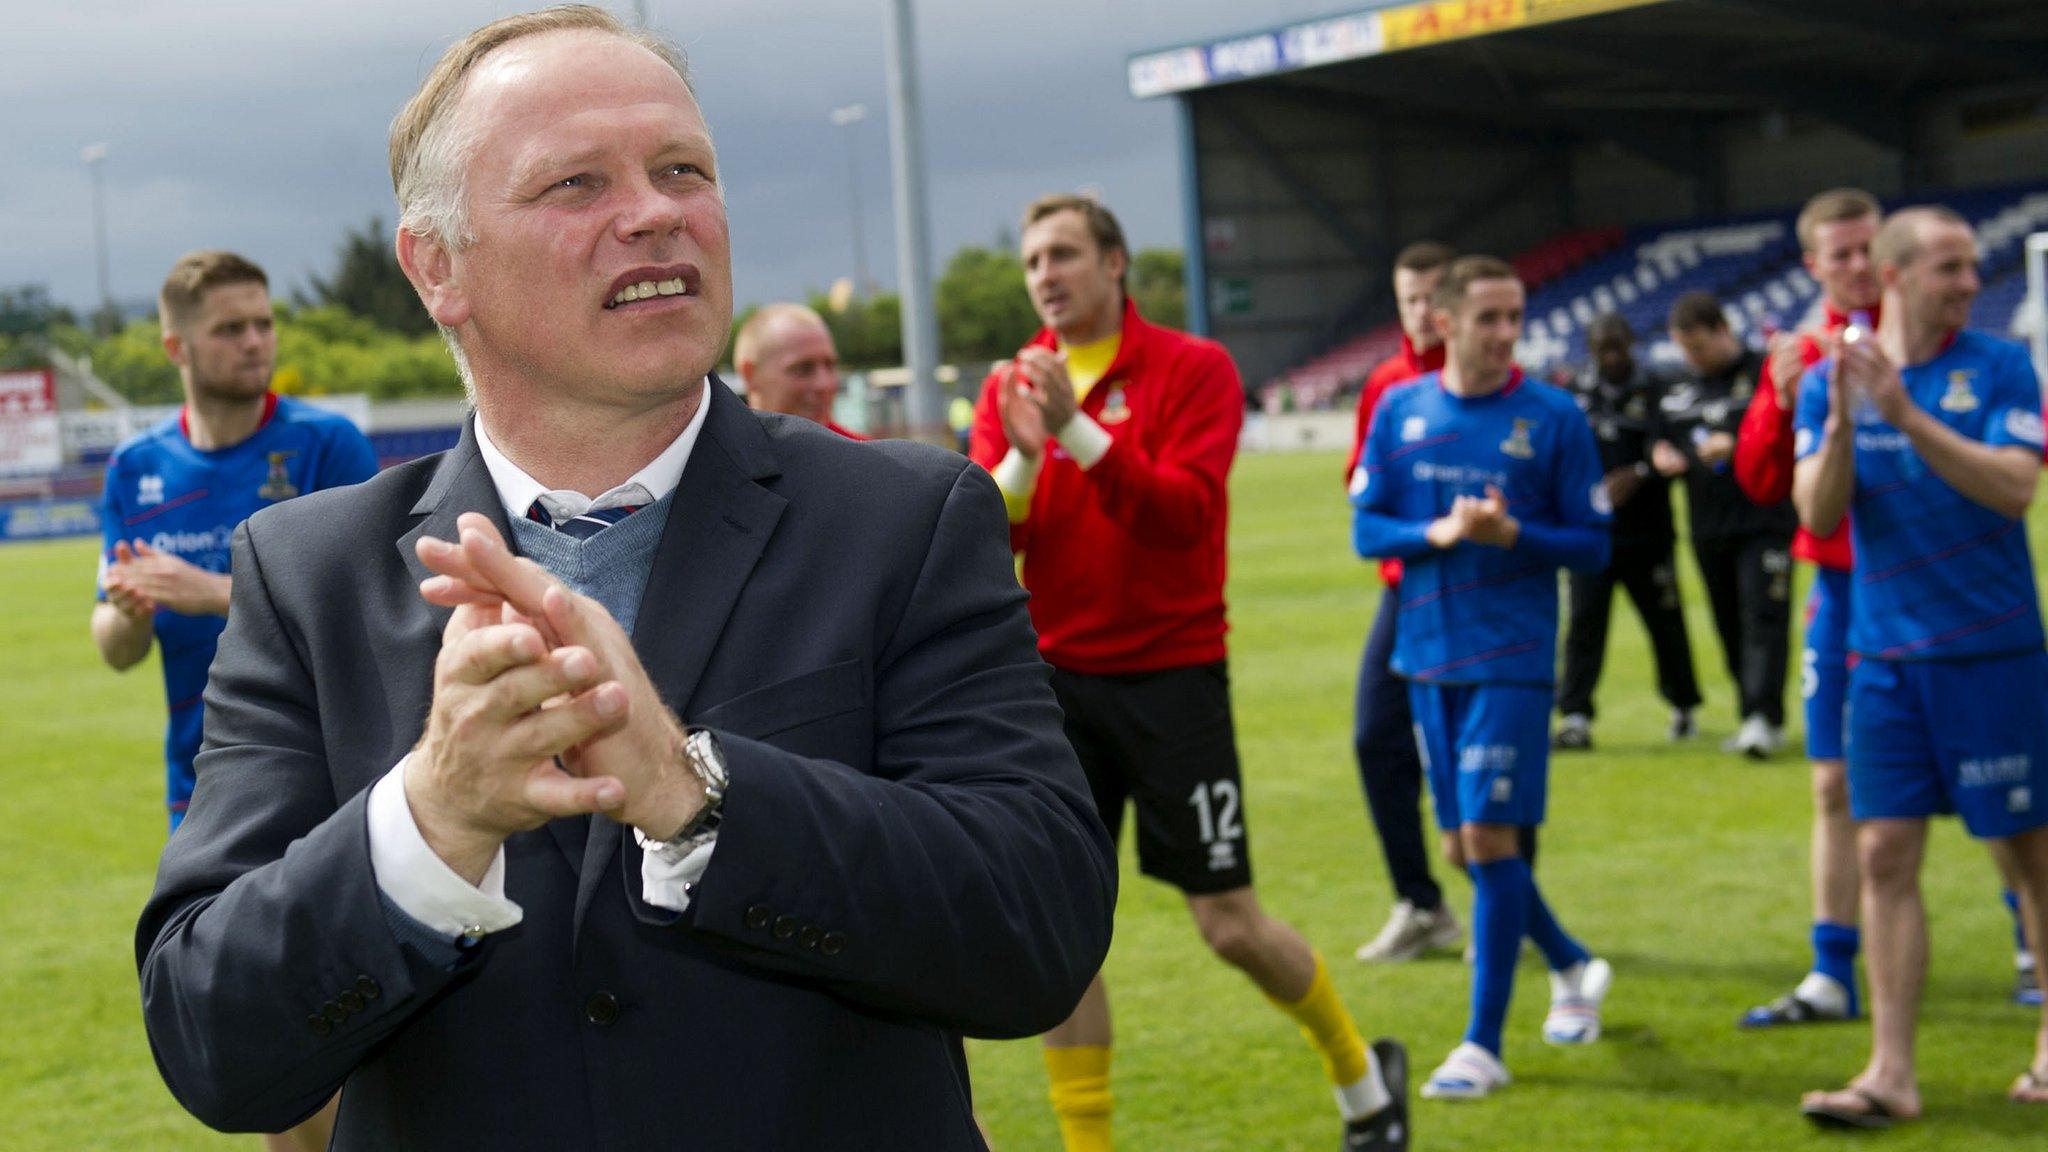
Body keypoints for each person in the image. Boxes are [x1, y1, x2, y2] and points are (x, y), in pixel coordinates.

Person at [134, 10, 1116, 1150]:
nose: (656, 212)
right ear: (438, 267)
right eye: (576, 183)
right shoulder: (308, 574)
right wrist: (433, 818)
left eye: (682, 169)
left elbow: (1038, 931)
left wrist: (696, 794)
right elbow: (214, 1047)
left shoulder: (908, 518)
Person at [971, 193, 1409, 1151]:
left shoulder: (1194, 368)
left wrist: (1077, 432)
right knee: (1065, 933)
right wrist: (1028, 457)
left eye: (1064, 254)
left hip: (1174, 679)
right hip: (1054, 690)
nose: (1046, 275)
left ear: (1115, 262)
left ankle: (1362, 1080)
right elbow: (990, 537)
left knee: (1229, 924)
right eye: (1034, 260)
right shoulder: (1012, 382)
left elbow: (1183, 516)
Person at [95, 250, 377, 1152]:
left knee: (347, 1029)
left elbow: (367, 613)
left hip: (332, 770)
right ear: (176, 346)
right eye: (230, 328)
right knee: (273, 1043)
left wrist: (211, 590)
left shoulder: (326, 446)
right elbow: (114, 645)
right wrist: (128, 612)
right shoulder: (137, 468)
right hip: (206, 790)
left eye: (263, 323)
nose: (256, 341)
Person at [1735, 190, 2038, 1024]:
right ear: (1815, 266)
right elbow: (1767, 483)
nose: (1858, 266)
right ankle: (1832, 972)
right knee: (1841, 789)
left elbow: (2015, 484)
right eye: (1841, 254)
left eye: (1866, 249)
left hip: (1963, 606)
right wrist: (1784, 403)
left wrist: (1898, 412)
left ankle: (2027, 940)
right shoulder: (1811, 361)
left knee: (2005, 806)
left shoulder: (1977, 358)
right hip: (1853, 601)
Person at [1794, 206, 2048, 1126]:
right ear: (1896, 276)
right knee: (1883, 853)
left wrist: (1905, 414)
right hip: (1885, 659)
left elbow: (2015, 487)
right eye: (1951, 267)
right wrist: (1845, 425)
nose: (1971, 283)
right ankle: (1891, 1073)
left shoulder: (2001, 366)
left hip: (1992, 653)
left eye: (1972, 266)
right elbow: (1818, 514)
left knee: (2031, 856)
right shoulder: (1832, 379)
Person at [1351, 255, 1614, 1101]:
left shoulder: (1554, 416)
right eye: (1489, 318)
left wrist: (1516, 536)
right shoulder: (1401, 409)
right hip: (1427, 657)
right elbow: (1366, 529)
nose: (1506, 333)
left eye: (1515, 318)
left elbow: (1594, 546)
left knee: (1492, 842)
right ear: (1445, 323)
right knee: (1461, 848)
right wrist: (1431, 534)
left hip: (1512, 660)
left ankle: (1481, 1045)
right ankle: (1571, 965)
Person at [1346, 241, 1467, 965]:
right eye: (1408, 300)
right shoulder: (1386, 386)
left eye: (1431, 297)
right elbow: (1361, 488)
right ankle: (1420, 903)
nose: (1421, 312)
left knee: (1474, 750)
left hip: (1481, 595)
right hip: (1408, 589)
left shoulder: (1486, 380)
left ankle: (1509, 906)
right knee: (1375, 737)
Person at [1654, 291, 1797, 758]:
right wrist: (1663, 454)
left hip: (1764, 520)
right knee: (1727, 622)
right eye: (1684, 349)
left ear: (1722, 330)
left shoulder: (1763, 373)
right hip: (1707, 526)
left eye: (1698, 347)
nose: (1691, 358)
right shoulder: (1678, 388)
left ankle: (1763, 716)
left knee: (1763, 615)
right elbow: (1660, 438)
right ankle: (1750, 712)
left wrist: (1737, 445)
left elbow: (1787, 431)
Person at [1553, 313, 1702, 750]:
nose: (1612, 357)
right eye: (1603, 349)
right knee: (1584, 624)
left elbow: (1679, 451)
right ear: (1590, 350)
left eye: (1618, 346)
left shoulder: (1658, 388)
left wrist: (1640, 473)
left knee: (1665, 621)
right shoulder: (1576, 393)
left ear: (1632, 342)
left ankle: (1683, 705)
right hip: (1591, 535)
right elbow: (1559, 457)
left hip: (1648, 532)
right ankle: (1575, 715)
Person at [732, 302, 865, 437]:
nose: (824, 384)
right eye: (803, 369)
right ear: (750, 375)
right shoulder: (724, 447)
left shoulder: (859, 449)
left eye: (830, 366)